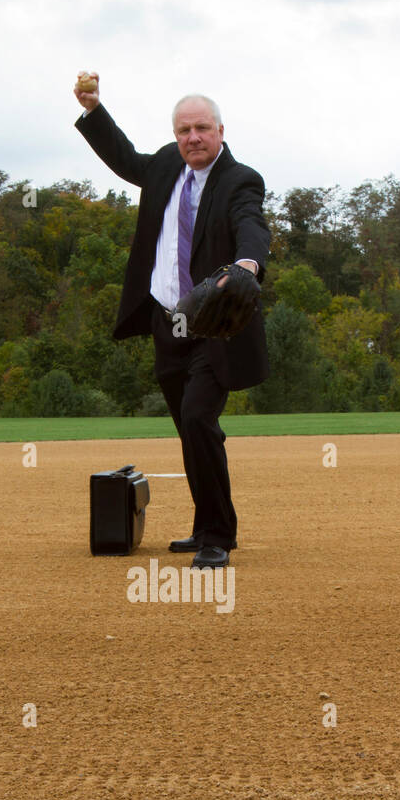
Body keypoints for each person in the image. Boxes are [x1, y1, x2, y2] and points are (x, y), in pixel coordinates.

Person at [73, 74, 270, 568]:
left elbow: (251, 224)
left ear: (221, 131)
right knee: (189, 428)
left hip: (214, 322)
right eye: (184, 130)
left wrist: (248, 264)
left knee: (199, 417)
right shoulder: (166, 164)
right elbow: (126, 161)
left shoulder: (240, 179)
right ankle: (205, 525)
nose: (192, 138)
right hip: (169, 321)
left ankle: (218, 537)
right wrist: (94, 110)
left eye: (202, 128)